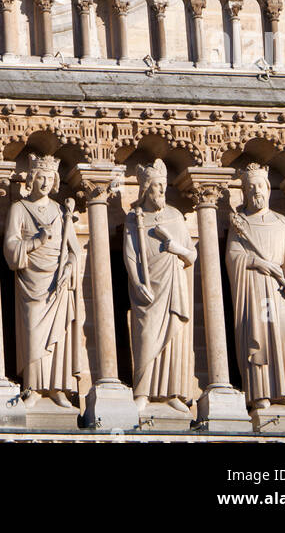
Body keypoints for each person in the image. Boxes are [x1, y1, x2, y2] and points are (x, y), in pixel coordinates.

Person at [225, 163, 285, 413]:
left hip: (278, 293)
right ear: (245, 192)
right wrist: (257, 262)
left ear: (268, 189)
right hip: (257, 292)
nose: (256, 191)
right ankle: (261, 393)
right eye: (250, 187)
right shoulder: (241, 224)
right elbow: (233, 257)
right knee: (260, 335)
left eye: (259, 186)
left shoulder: (281, 221)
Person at [4, 154, 82, 409]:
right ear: (31, 179)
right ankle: (34, 387)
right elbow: (10, 247)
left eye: (50, 178)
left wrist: (69, 269)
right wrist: (36, 241)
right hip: (31, 280)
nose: (45, 182)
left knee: (59, 335)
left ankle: (58, 388)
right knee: (33, 332)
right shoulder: (19, 208)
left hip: (56, 279)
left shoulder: (61, 212)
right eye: (41, 177)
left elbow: (73, 250)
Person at [123, 159, 196, 414]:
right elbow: (130, 255)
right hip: (147, 288)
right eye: (157, 186)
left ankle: (172, 392)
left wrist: (175, 247)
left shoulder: (175, 216)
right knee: (145, 337)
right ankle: (142, 391)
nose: (162, 191)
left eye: (164, 186)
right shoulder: (134, 218)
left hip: (173, 282)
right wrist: (136, 281)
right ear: (145, 190)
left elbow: (192, 256)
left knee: (174, 337)